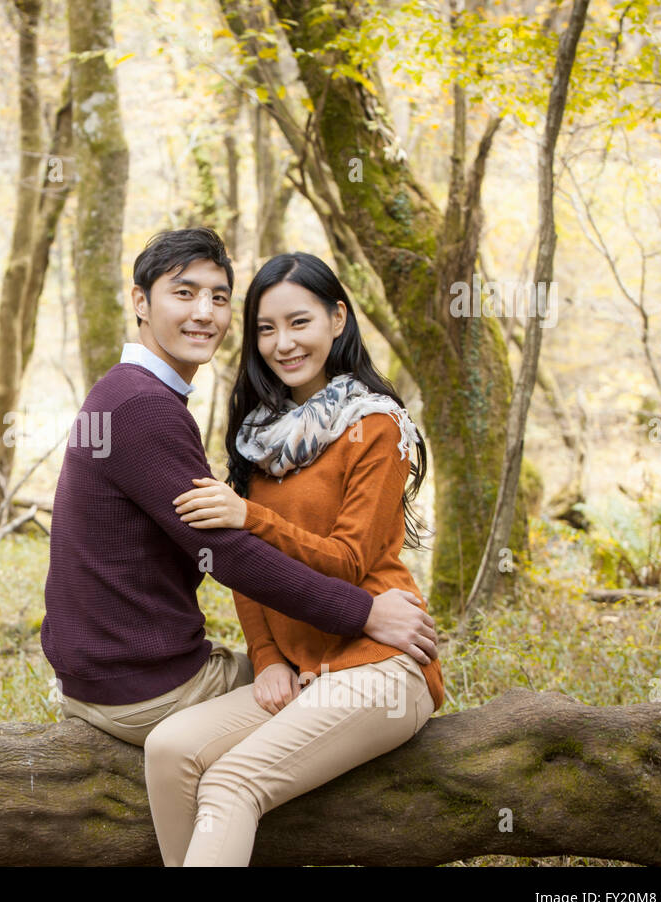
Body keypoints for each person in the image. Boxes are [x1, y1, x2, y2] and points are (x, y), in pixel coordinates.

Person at [41, 229, 437, 747]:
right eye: (184, 293)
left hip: (106, 671)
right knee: (309, 682)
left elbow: (231, 546)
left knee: (298, 671)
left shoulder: (127, 392)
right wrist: (363, 613)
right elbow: (226, 553)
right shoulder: (144, 407)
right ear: (140, 301)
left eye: (219, 298)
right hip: (146, 686)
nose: (204, 312)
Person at [142, 250, 446, 865]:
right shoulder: (259, 433)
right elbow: (245, 566)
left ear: (337, 319)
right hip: (298, 672)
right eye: (265, 328)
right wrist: (268, 656)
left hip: (380, 665)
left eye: (299, 322)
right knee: (169, 748)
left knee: (231, 782)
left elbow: (347, 561)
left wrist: (250, 515)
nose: (282, 343)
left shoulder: (376, 427)